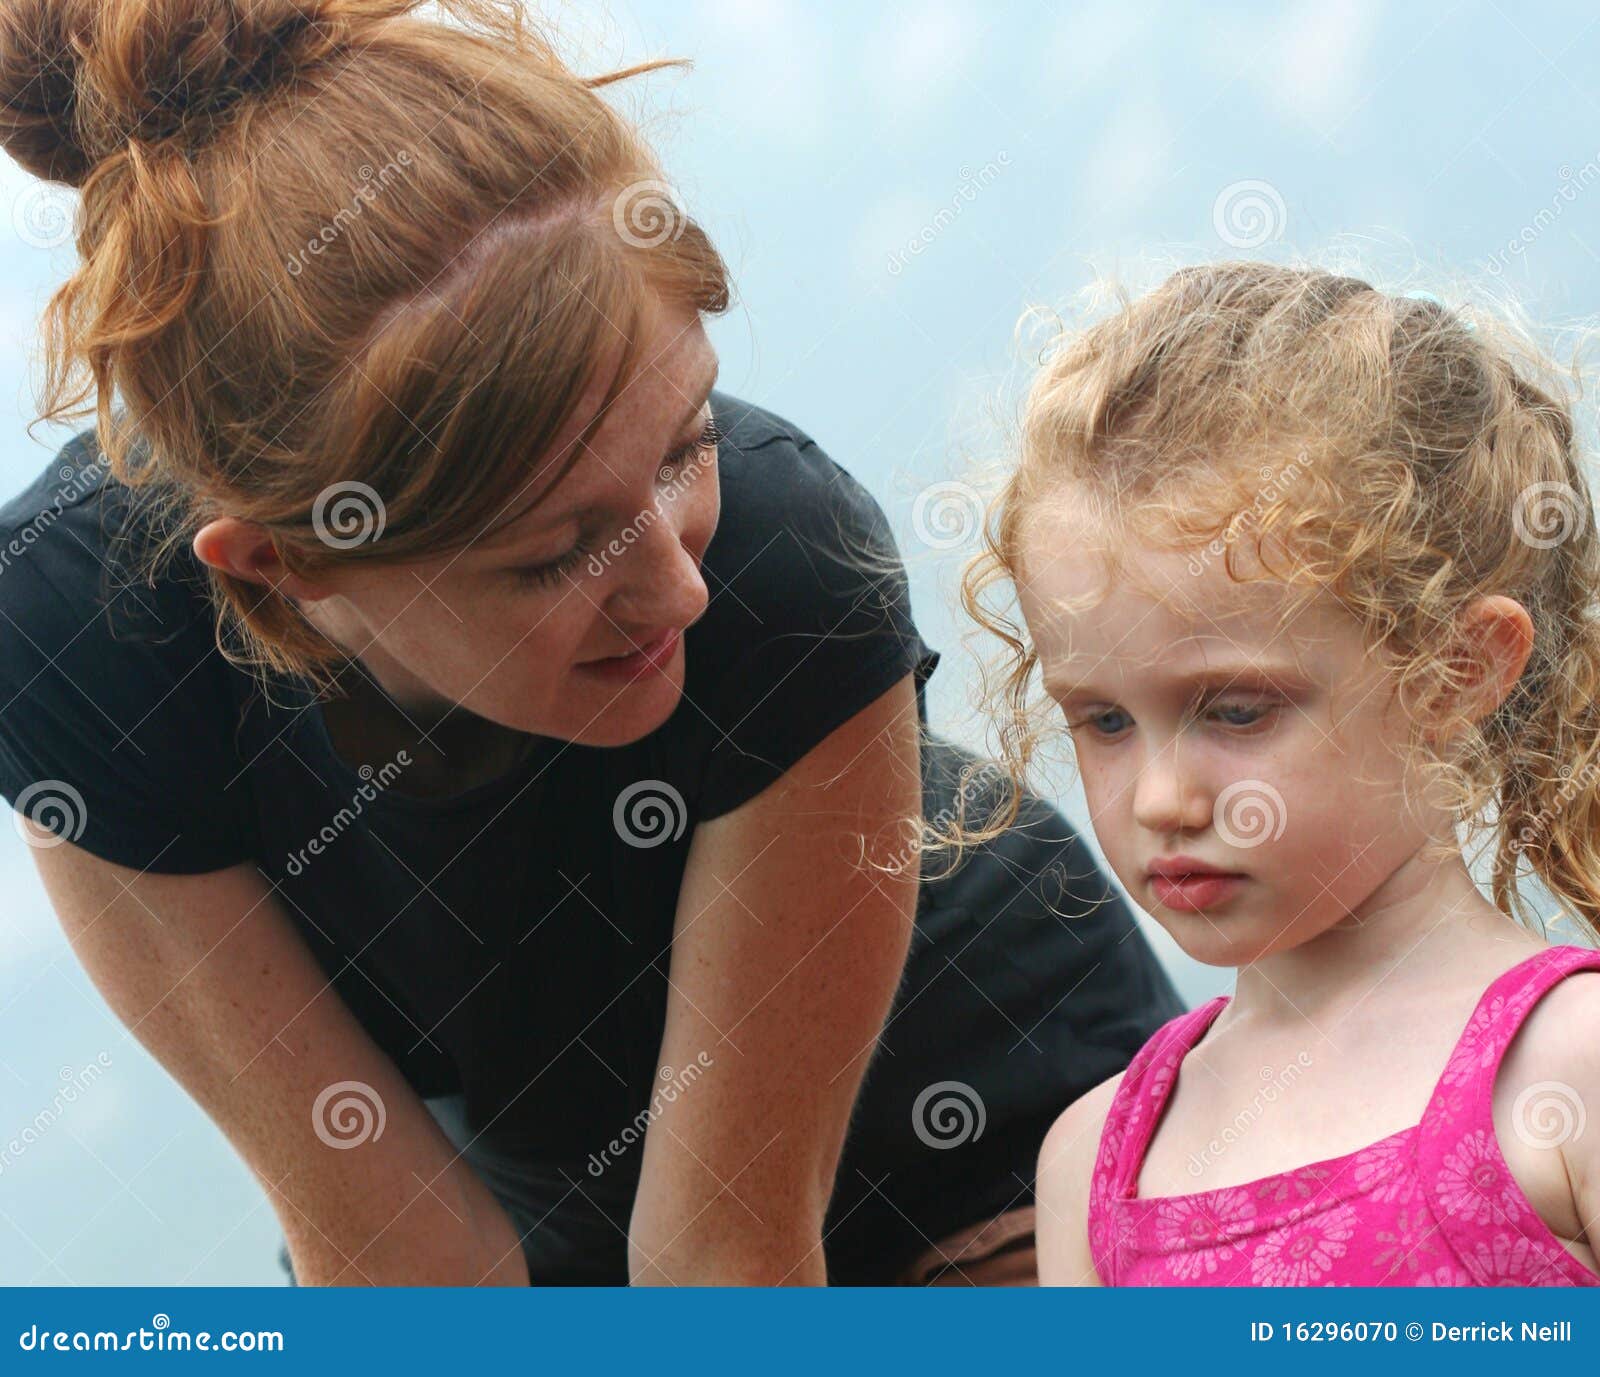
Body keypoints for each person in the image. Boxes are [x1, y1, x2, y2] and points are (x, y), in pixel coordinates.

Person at [0, 0, 1181, 1285]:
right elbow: (399, 1265)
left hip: (1001, 1139)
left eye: (686, 446)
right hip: (545, 1217)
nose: (680, 592)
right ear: (283, 566)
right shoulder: (68, 638)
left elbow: (726, 1271)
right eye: (555, 554)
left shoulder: (787, 555)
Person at [953, 260, 1600, 1286]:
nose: (1162, 799)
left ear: (1455, 672)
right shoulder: (1092, 1165)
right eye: (1105, 720)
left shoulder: (1571, 1067)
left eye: (1237, 710)